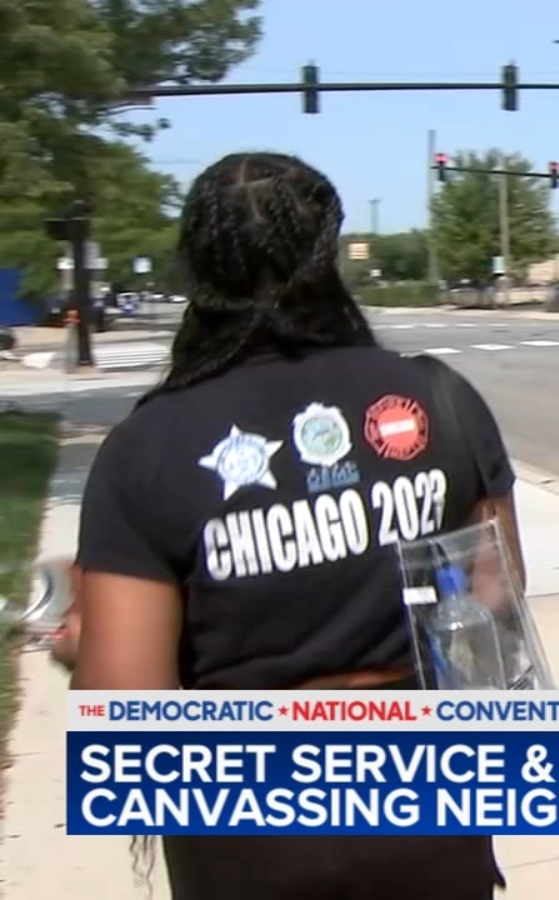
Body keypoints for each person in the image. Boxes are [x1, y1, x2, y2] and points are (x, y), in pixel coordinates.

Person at [71, 152, 521, 900]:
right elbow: (496, 602)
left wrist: (81, 645)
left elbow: (129, 719)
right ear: (329, 256)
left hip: (247, 846)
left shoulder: (143, 451)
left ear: (197, 272)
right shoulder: (440, 401)